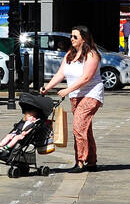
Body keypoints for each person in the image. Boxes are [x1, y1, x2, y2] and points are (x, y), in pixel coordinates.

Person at [41, 25, 104, 173]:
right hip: (76, 95)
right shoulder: (70, 54)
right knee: (85, 129)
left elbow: (87, 78)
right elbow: (60, 73)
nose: (72, 39)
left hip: (91, 93)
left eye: (75, 36)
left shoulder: (92, 55)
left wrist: (67, 90)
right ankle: (92, 162)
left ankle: (80, 161)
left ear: (84, 38)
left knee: (78, 127)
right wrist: (47, 87)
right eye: (71, 36)